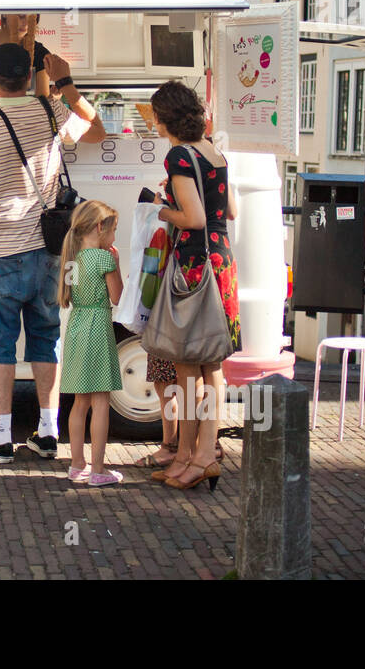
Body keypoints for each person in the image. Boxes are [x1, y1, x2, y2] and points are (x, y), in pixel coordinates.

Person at [0, 43, 105, 463]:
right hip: (49, 248)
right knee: (46, 336)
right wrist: (66, 86)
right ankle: (47, 432)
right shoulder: (50, 111)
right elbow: (97, 130)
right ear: (28, 78)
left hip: (2, 249)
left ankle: (1, 438)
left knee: (0, 343)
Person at [147, 81, 239, 492]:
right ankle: (195, 454)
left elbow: (194, 218)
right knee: (211, 366)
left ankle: (195, 455)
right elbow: (228, 211)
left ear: (165, 117)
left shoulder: (179, 156)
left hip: (193, 264)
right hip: (221, 261)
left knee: (187, 366)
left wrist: (160, 208)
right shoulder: (213, 151)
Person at [58, 200, 125, 486]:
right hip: (98, 326)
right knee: (101, 402)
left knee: (79, 402)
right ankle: (98, 469)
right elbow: (117, 297)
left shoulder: (72, 259)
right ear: (100, 228)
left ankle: (77, 464)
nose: (114, 237)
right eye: (113, 230)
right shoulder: (103, 259)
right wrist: (117, 264)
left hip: (76, 326)